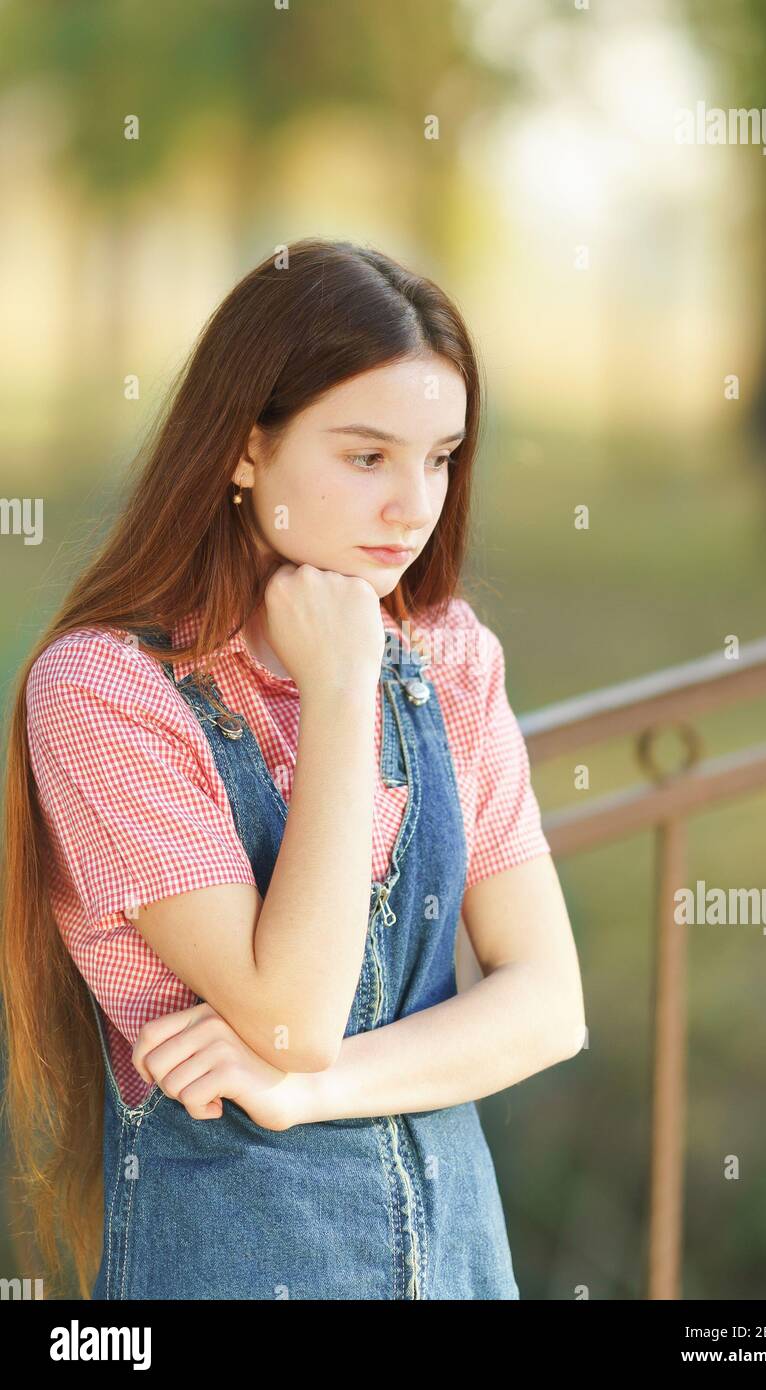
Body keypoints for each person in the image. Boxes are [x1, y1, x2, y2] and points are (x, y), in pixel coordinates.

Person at [1, 237, 585, 1300]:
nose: (415, 506)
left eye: (441, 456)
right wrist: (339, 682)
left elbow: (548, 1002)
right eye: (366, 458)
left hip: (461, 1265)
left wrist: (313, 1092)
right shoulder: (103, 694)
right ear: (243, 449)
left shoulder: (447, 655)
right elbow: (291, 1016)